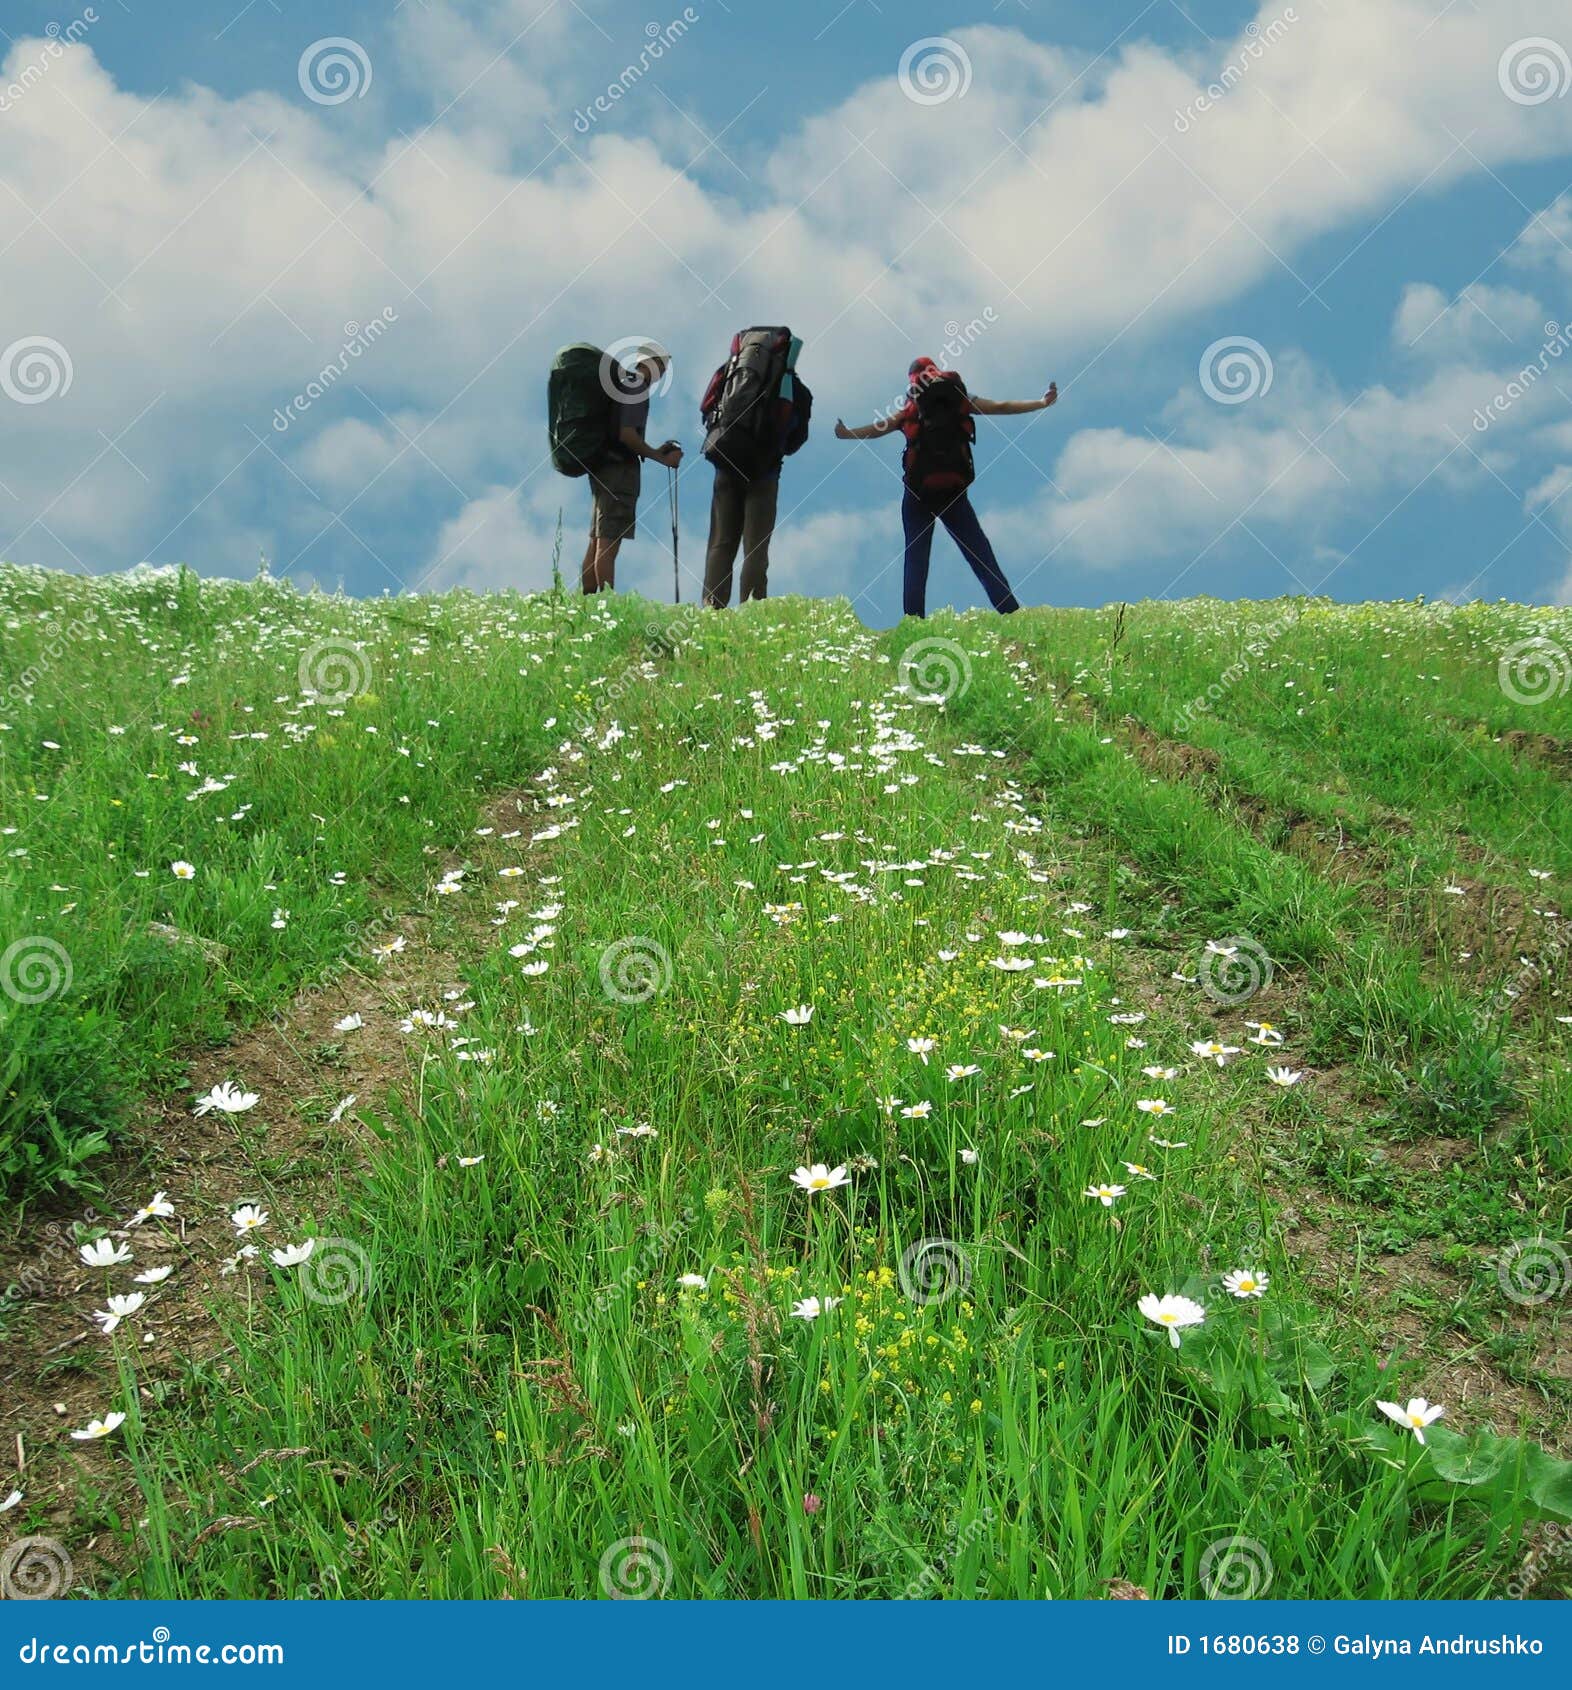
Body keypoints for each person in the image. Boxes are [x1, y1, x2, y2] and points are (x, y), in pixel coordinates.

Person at [834, 356, 1057, 619]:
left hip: (917, 495)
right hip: (954, 493)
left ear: (913, 379)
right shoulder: (959, 399)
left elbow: (877, 429)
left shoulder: (910, 407)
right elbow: (1002, 406)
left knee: (916, 559)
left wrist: (847, 433)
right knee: (980, 555)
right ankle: (1010, 612)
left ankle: (913, 621)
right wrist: (1041, 402)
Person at [699, 329, 812, 608]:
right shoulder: (796, 389)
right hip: (764, 472)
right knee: (755, 549)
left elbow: (707, 408)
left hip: (725, 465)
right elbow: (796, 440)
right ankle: (752, 612)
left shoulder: (729, 372)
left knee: (721, 544)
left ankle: (711, 611)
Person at [582, 345, 683, 595]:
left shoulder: (623, 385)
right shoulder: (636, 387)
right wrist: (659, 457)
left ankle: (587, 602)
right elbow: (627, 435)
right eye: (660, 365)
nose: (662, 371)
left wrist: (653, 451)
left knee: (596, 539)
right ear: (647, 362)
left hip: (602, 467)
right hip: (619, 473)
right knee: (608, 542)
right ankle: (606, 608)